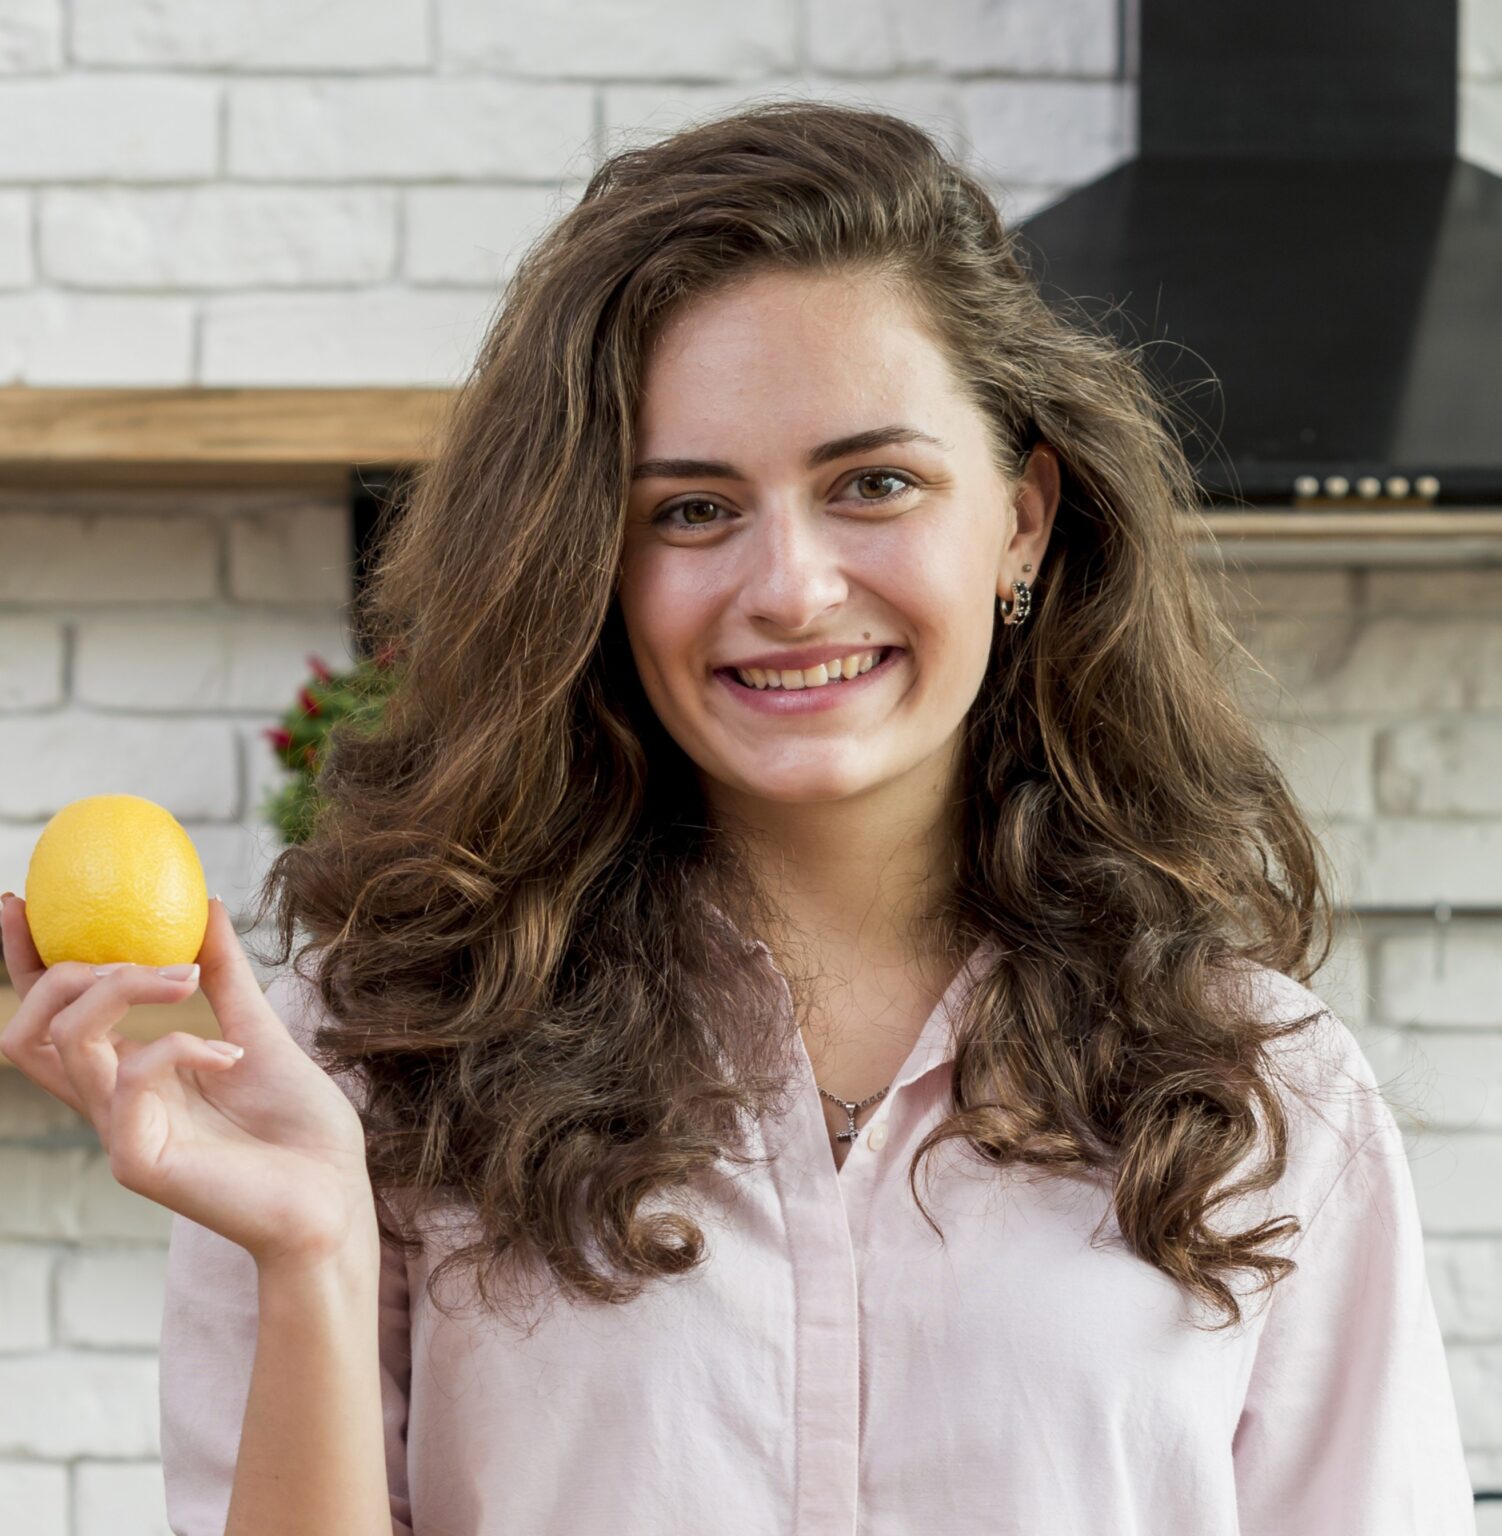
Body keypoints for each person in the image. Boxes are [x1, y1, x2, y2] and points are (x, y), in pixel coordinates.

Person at [0, 100, 1476, 1535]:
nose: (789, 586)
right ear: (594, 559)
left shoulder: (1264, 1093)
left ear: (1020, 518)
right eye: (690, 510)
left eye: (874, 483)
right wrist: (314, 1249)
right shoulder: (361, 1068)